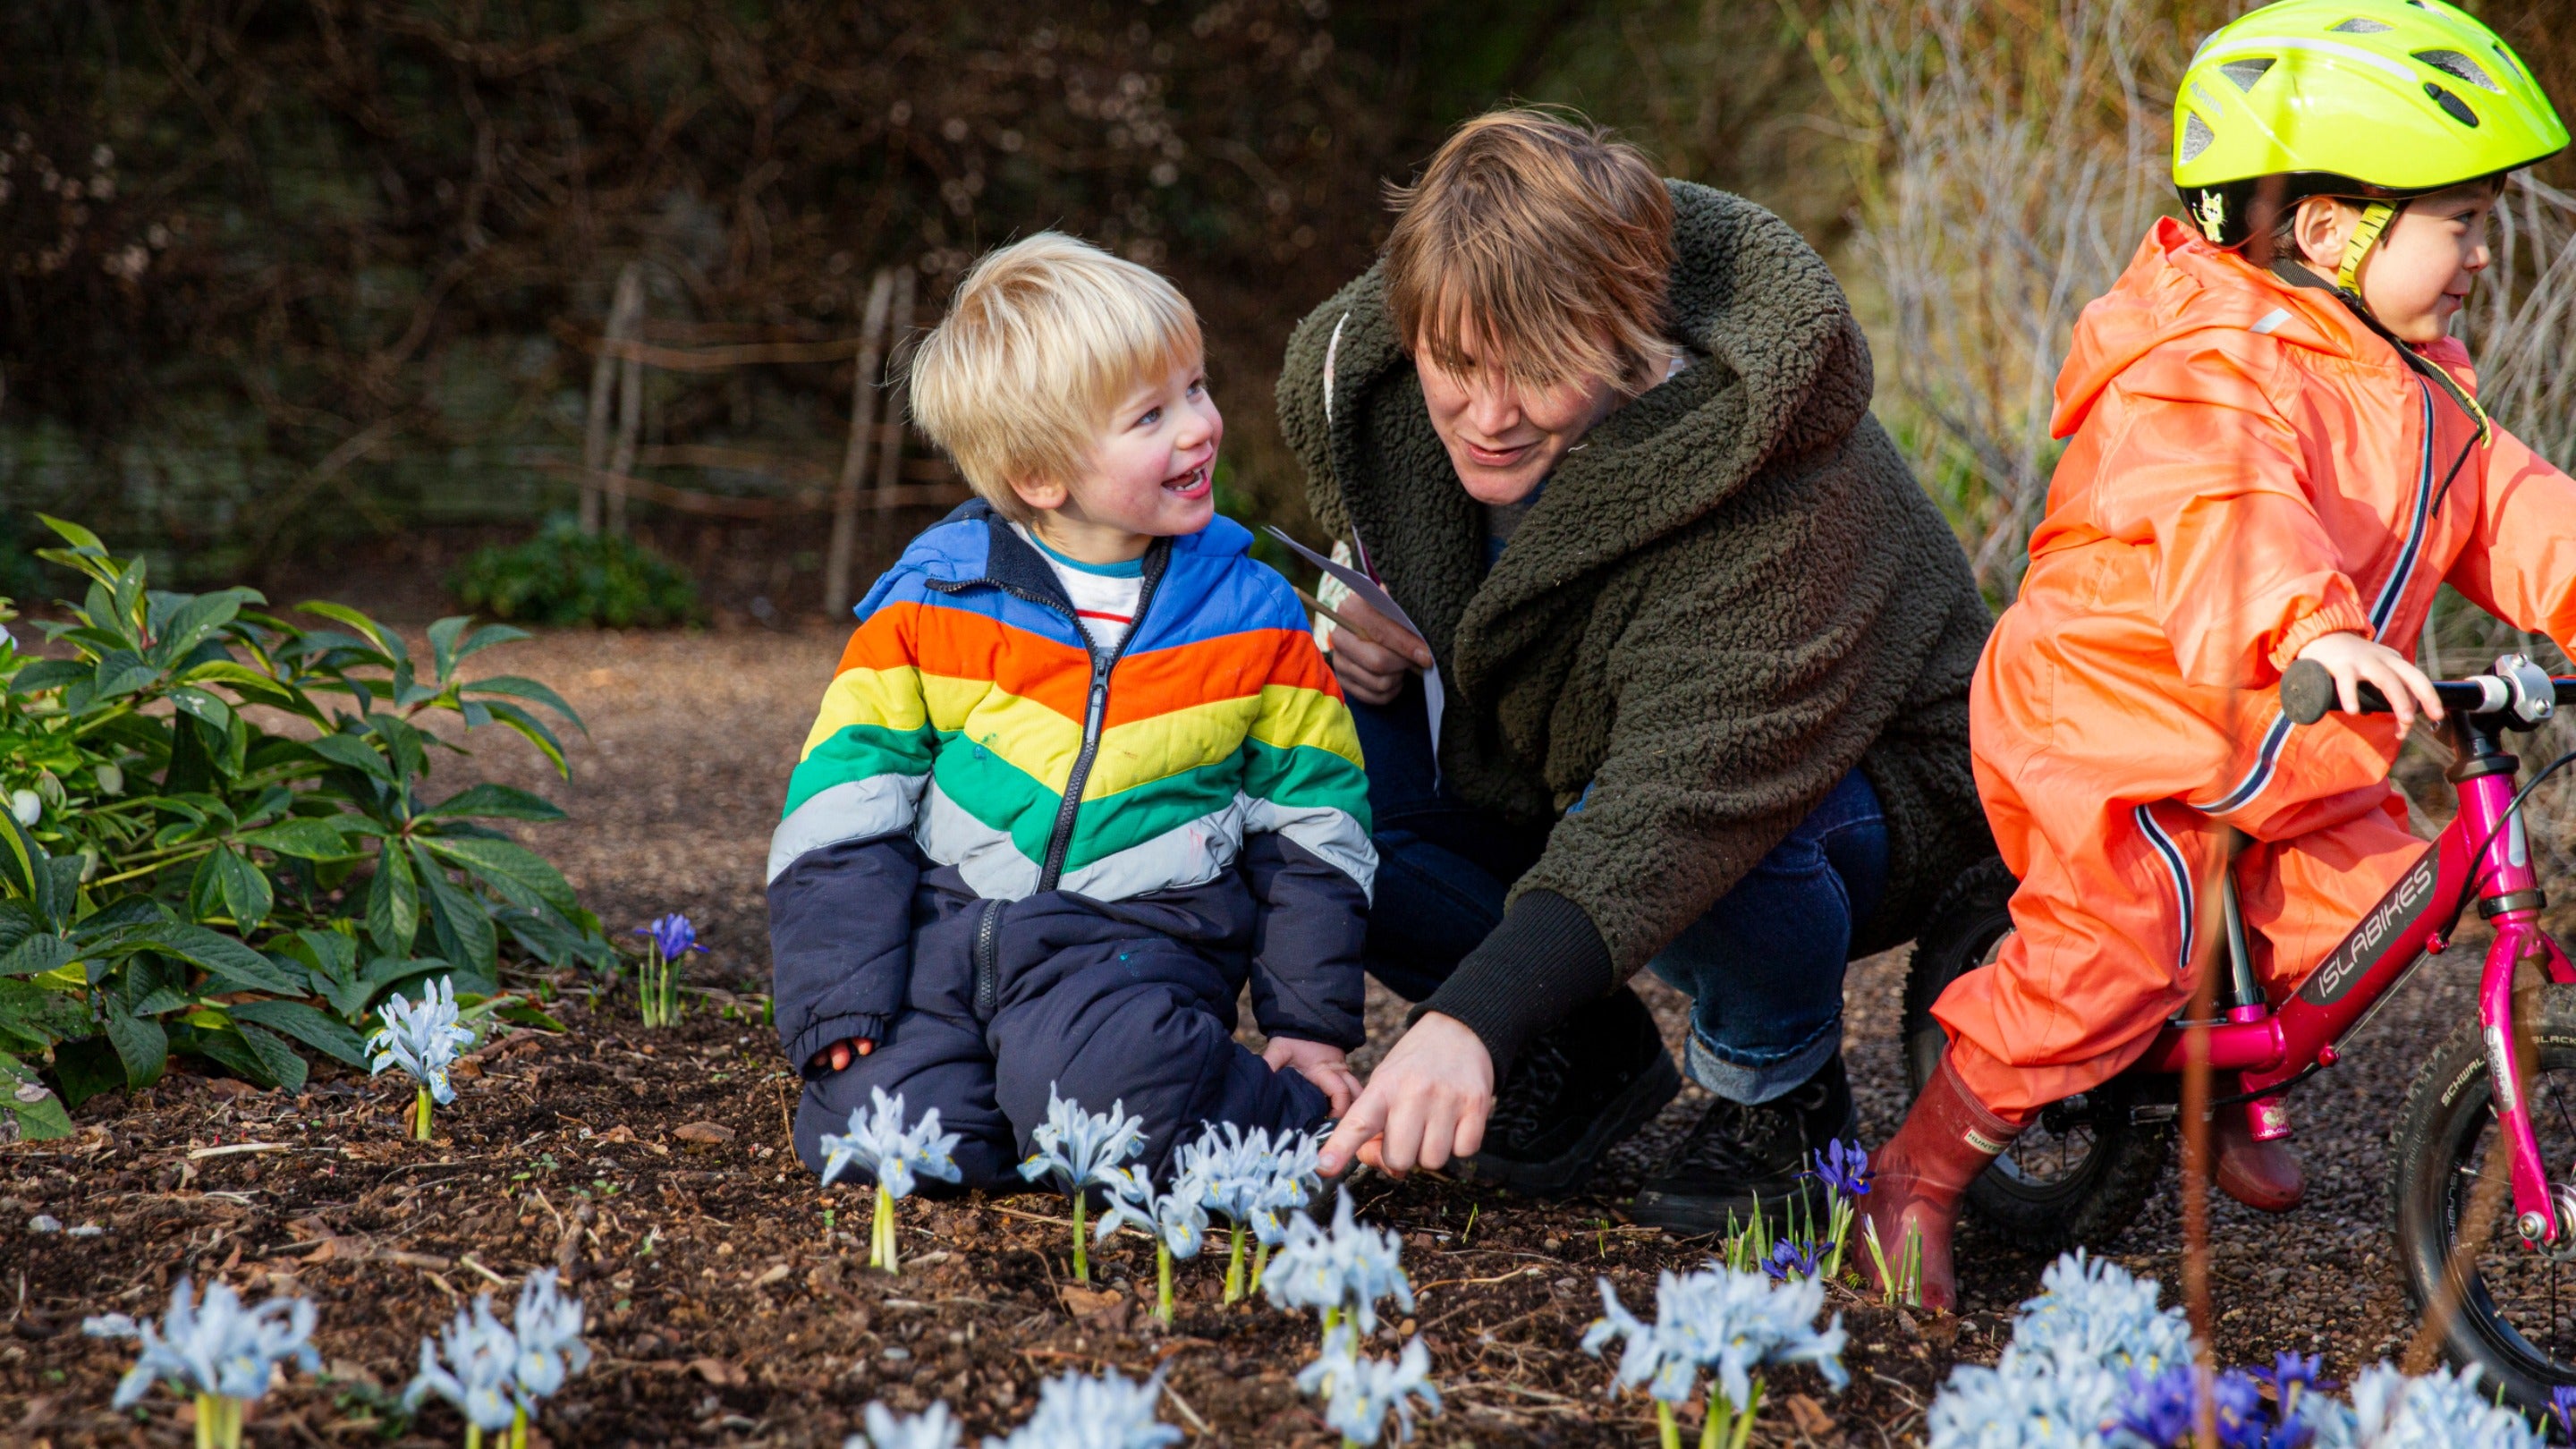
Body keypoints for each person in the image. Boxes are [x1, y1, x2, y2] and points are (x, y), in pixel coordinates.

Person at [1868, 0, 2576, 1310]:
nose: (2482, 253)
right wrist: (2316, 624)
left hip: (2285, 732)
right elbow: (2228, 504)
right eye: (2462, 224)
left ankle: (2226, 1075)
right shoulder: (2200, 361)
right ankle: (1920, 1170)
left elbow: (2523, 510)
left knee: (2371, 912)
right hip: (2118, 718)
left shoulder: (2423, 378)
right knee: (2109, 961)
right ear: (2327, 231)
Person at [1275, 110, 1998, 1230]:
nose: (1491, 414)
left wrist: (1467, 1020)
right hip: (1580, 753)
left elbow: (1685, 799)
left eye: (1543, 372)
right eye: (1456, 367)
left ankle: (1781, 1085)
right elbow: (1410, 554)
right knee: (1298, 755)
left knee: (1727, 827)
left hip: (1860, 792)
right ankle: (1580, 1047)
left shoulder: (1773, 473)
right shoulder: (1386, 380)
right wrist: (1364, 621)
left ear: (1626, 332)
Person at [767, 233, 1374, 1184]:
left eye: (1198, 388)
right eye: (1151, 415)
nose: (1200, 426)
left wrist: (1309, 1024)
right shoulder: (934, 603)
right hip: (953, 939)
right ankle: (1045, 1108)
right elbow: (843, 806)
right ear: (1042, 477)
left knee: (1110, 1093)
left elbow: (1314, 826)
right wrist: (838, 999)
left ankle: (1296, 1129)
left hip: (1137, 947)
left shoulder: (1253, 616)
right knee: (878, 1133)